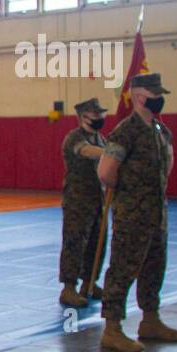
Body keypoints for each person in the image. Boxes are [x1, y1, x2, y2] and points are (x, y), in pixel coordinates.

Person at [97, 73, 177, 352]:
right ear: (138, 96)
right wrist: (129, 192)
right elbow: (105, 172)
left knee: (154, 267)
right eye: (153, 94)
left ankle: (150, 320)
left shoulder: (161, 131)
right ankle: (112, 328)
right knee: (123, 269)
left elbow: (167, 166)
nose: (159, 99)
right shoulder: (126, 131)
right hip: (132, 214)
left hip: (157, 213)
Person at [58, 97, 109, 307]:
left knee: (98, 242)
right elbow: (86, 152)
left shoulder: (101, 139)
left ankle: (89, 283)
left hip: (98, 199)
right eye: (94, 114)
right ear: (82, 116)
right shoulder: (74, 138)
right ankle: (68, 287)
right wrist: (112, 153)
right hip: (78, 200)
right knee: (75, 242)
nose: (99, 118)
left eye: (100, 114)